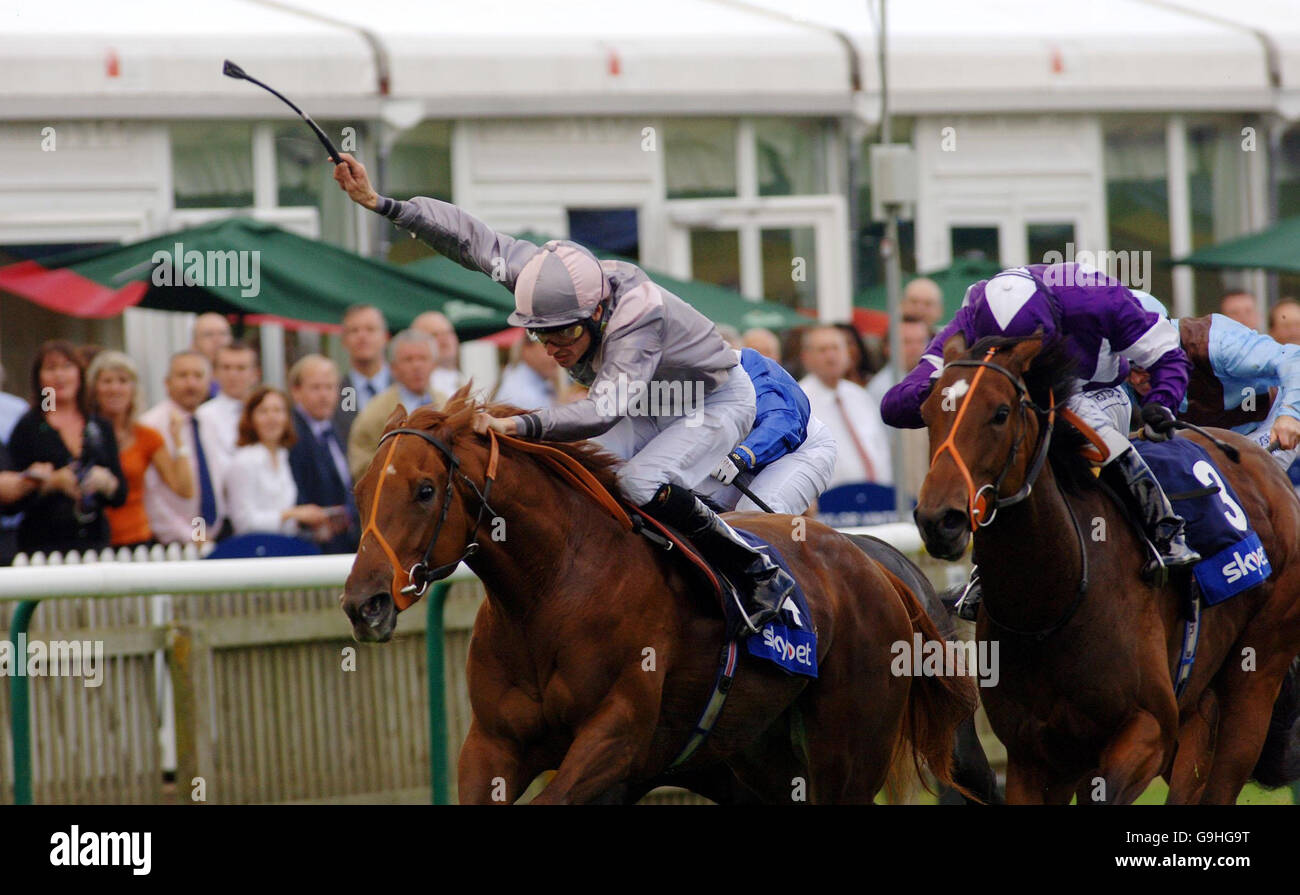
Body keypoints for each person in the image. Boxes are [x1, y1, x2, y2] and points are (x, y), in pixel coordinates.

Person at [334, 151, 793, 635]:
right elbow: (469, 237)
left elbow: (602, 410)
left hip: (714, 403)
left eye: (564, 335)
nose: (553, 348)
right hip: (650, 404)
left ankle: (755, 570)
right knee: (573, 477)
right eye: (539, 335)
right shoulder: (543, 279)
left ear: (596, 315)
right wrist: (382, 203)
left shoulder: (638, 317)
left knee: (638, 483)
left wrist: (518, 424)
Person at [881, 264, 1198, 619]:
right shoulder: (972, 314)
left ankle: (1165, 530)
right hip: (1010, 399)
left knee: (1083, 418)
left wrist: (1163, 402)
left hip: (1093, 390)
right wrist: (947, 391)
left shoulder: (1097, 297)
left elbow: (1168, 354)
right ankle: (984, 570)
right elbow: (894, 406)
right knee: (993, 443)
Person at [1127, 291, 1300, 468]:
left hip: (1264, 425)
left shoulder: (1218, 342)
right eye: (1128, 368)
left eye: (1143, 366)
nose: (1135, 379)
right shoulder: (1112, 371)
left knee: (1237, 487)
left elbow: (1294, 359)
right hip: (1203, 439)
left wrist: (1290, 414)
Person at [6, 341, 127, 555]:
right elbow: (9, 503)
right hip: (43, 545)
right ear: (39, 378)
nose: (59, 376)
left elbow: (120, 495)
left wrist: (106, 482)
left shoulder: (98, 425)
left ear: (80, 374)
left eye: (67, 367)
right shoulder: (29, 427)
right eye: (51, 368)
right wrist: (50, 483)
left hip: (94, 541)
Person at [708, 348, 837, 515]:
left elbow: (783, 421)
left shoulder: (748, 367)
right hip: (743, 463)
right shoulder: (677, 379)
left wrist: (742, 456)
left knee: (752, 516)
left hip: (800, 451)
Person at [88, 351, 194, 548]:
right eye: (107, 381)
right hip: (93, 538)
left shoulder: (145, 435)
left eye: (122, 381)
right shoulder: (82, 433)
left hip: (136, 537)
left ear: (134, 389)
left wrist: (179, 441)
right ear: (94, 389)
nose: (115, 388)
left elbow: (184, 489)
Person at [139, 351, 229, 545]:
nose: (191, 384)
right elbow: (151, 494)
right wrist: (190, 536)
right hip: (171, 543)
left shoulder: (211, 422)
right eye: (183, 376)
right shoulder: (150, 426)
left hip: (212, 537)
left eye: (198, 376)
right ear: (167, 383)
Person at [227, 386, 331, 537]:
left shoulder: (283, 456)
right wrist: (292, 514)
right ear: (250, 418)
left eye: (278, 411)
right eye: (264, 411)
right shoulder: (243, 461)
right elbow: (243, 522)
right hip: (256, 549)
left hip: (287, 544)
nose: (272, 418)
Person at [799, 326, 893, 489]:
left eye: (836, 348)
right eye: (823, 350)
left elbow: (880, 447)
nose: (831, 356)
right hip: (827, 503)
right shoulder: (800, 400)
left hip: (877, 500)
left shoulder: (859, 396)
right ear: (806, 357)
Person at [347, 330, 447, 481]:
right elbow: (359, 466)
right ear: (393, 368)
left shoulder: (446, 405)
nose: (416, 366)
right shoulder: (375, 412)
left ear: (434, 365)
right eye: (408, 359)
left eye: (423, 358)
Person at [287, 354, 358, 554]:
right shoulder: (291, 433)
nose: (324, 395)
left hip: (343, 541)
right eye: (316, 387)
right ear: (296, 391)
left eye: (329, 387)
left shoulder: (335, 428)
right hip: (310, 545)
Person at [195, 340, 260, 468]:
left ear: (255, 374)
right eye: (226, 368)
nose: (232, 374)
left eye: (241, 368)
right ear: (214, 373)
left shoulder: (267, 412)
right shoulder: (204, 416)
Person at [335, 303, 391, 446]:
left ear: (385, 337)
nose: (362, 336)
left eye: (370, 329)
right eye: (354, 330)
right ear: (343, 340)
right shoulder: (335, 393)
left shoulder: (404, 386)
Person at [493, 334, 561, 411]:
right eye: (546, 348)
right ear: (527, 349)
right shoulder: (523, 395)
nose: (555, 355)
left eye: (558, 347)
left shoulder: (519, 380)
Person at [412, 311, 467, 397]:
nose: (444, 339)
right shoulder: (416, 384)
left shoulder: (465, 378)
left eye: (448, 332)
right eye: (435, 334)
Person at [191, 313, 233, 398]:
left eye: (223, 333)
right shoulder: (190, 382)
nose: (217, 340)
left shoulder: (244, 377)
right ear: (194, 343)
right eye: (209, 334)